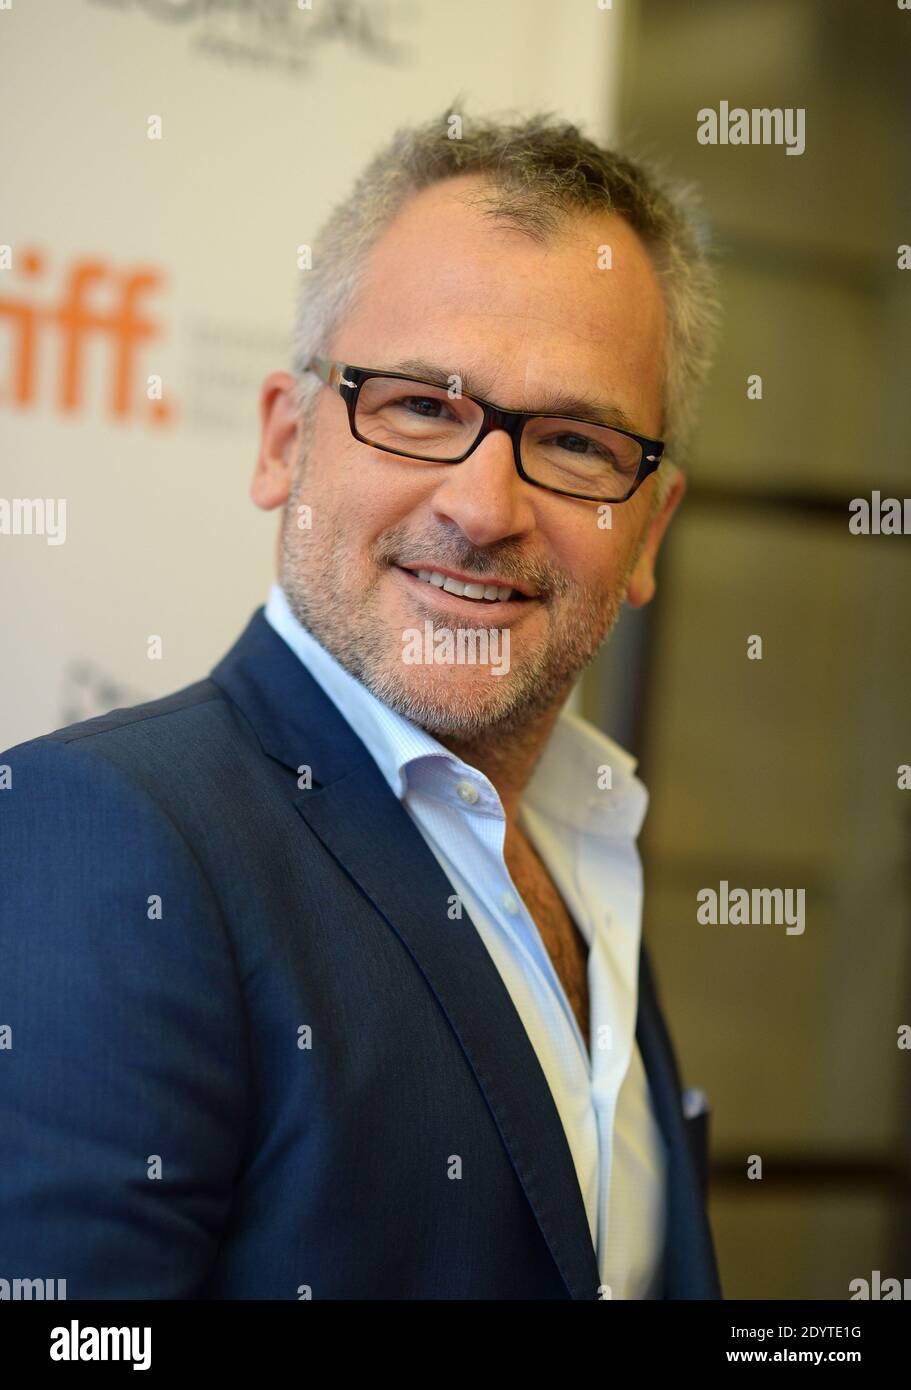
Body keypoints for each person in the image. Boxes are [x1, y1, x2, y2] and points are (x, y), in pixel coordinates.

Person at [0, 110, 722, 1299]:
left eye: (577, 442)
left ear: (647, 528)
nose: (483, 506)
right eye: (420, 407)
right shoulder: (98, 839)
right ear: (286, 442)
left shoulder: (586, 844)